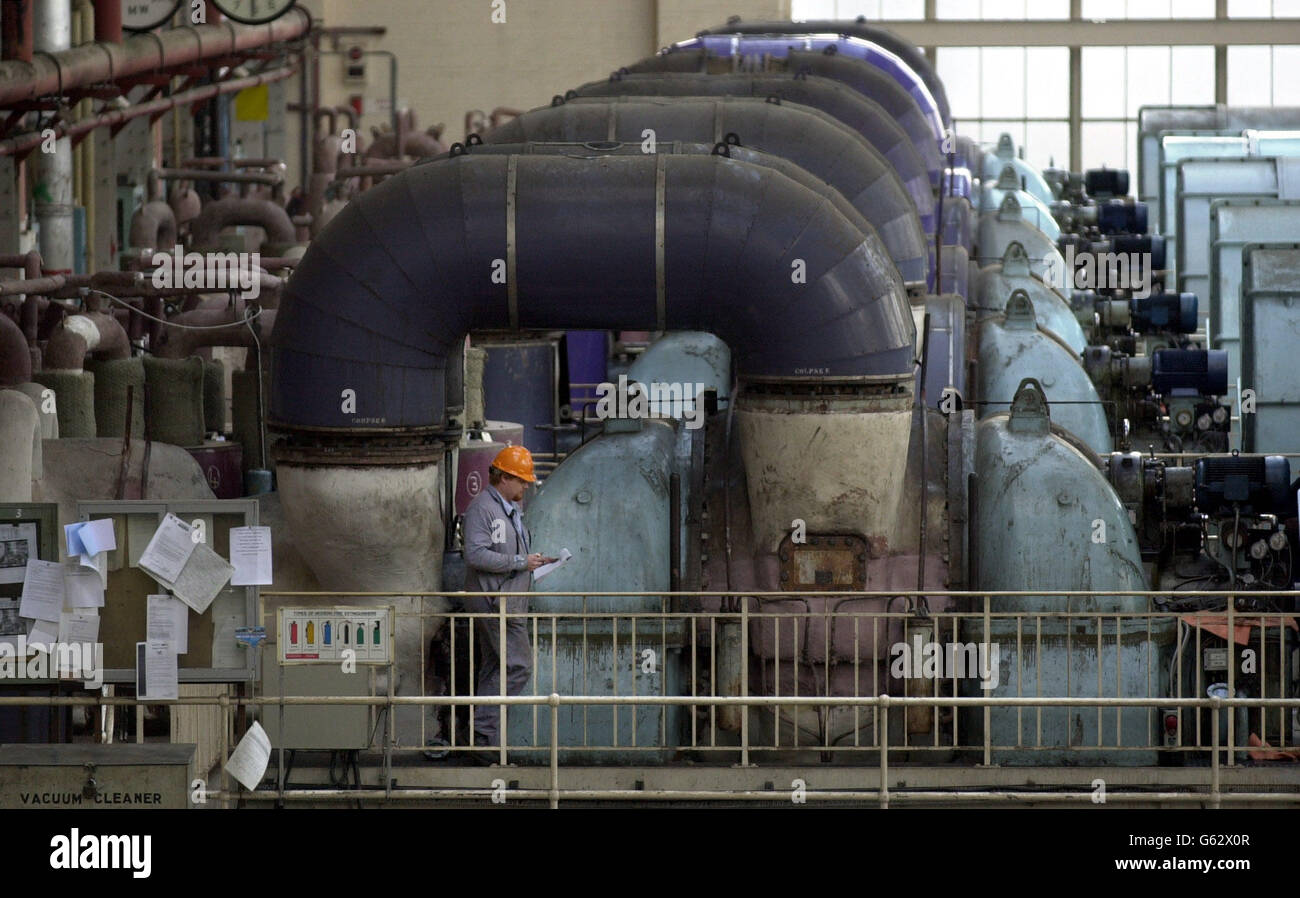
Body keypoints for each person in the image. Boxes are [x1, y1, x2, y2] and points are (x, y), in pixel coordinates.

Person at [461, 445, 554, 761]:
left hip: (506, 602)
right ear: (503, 477)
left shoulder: (508, 509)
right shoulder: (483, 509)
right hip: (494, 602)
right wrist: (519, 561)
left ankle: (484, 741)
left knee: (496, 667)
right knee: (517, 666)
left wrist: (532, 562)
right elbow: (474, 554)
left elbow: (506, 555)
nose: (525, 486)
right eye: (521, 480)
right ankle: (483, 733)